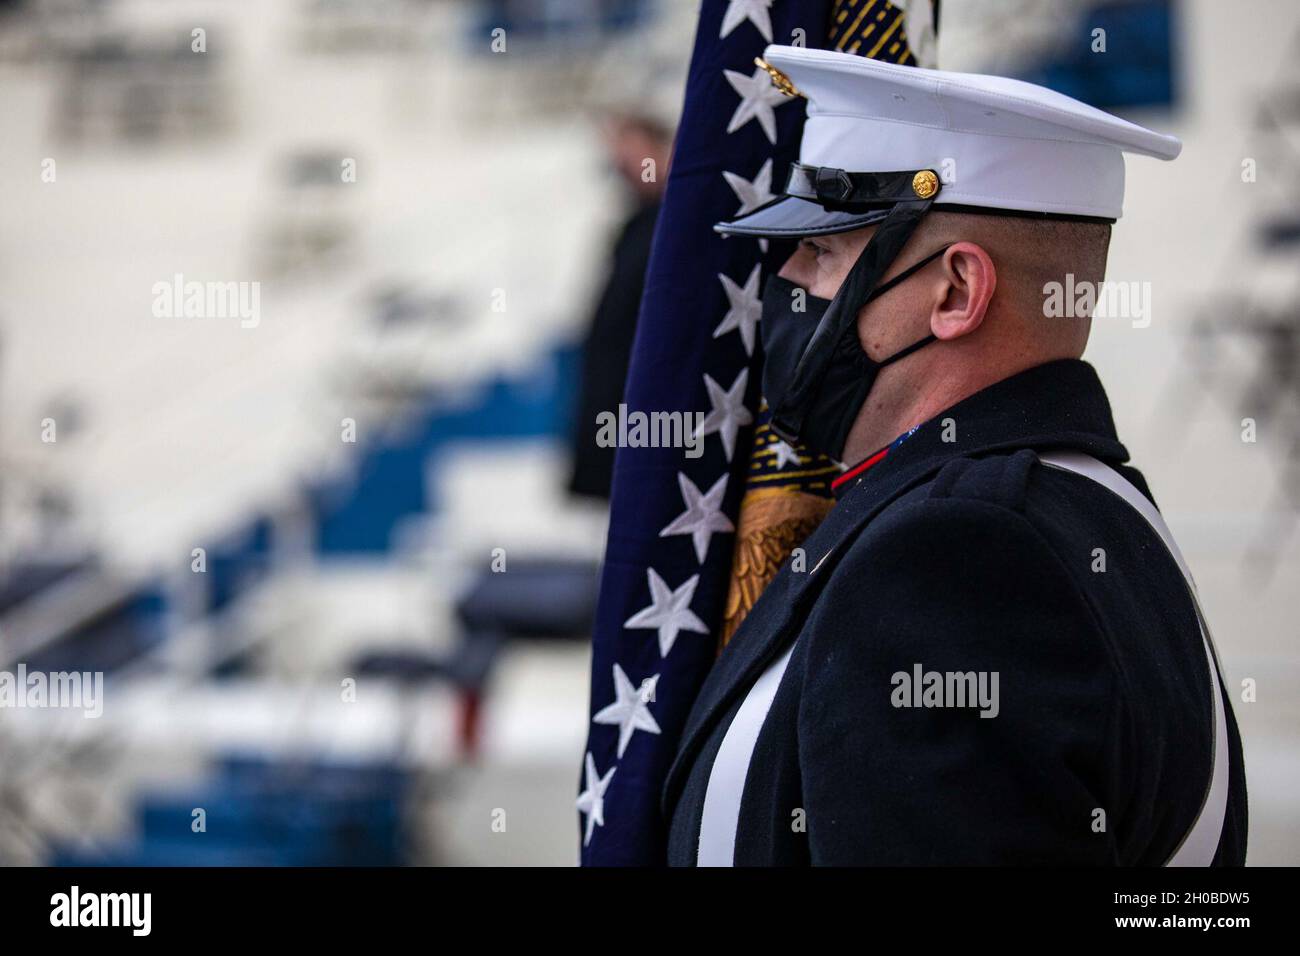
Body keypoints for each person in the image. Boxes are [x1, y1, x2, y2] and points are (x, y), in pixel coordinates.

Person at [663, 46, 1248, 866]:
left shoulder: (956, 559)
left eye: (824, 253)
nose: (785, 279)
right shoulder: (1088, 508)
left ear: (955, 294)